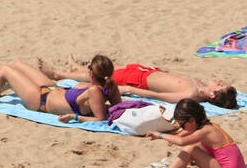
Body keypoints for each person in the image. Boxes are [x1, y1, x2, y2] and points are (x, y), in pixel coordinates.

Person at [0, 54, 118, 121]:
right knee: (18, 65)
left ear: (91, 73)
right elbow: (118, 106)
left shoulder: (94, 91)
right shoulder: (109, 86)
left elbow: (100, 119)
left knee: (6, 70)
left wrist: (74, 118)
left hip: (40, 101)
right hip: (52, 89)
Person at [49, 57, 237, 109]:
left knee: (105, 74)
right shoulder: (200, 84)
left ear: (212, 95)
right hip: (145, 72)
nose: (219, 81)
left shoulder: (191, 95)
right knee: (116, 66)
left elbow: (159, 96)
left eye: (220, 85)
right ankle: (75, 69)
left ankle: (58, 73)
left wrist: (128, 89)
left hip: (138, 81)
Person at [143, 99, 247, 168]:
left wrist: (159, 134)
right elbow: (187, 133)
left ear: (192, 120)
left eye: (182, 125)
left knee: (191, 148)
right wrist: (177, 136)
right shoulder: (210, 126)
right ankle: (182, 164)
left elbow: (182, 142)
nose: (182, 128)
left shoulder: (204, 132)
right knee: (196, 145)